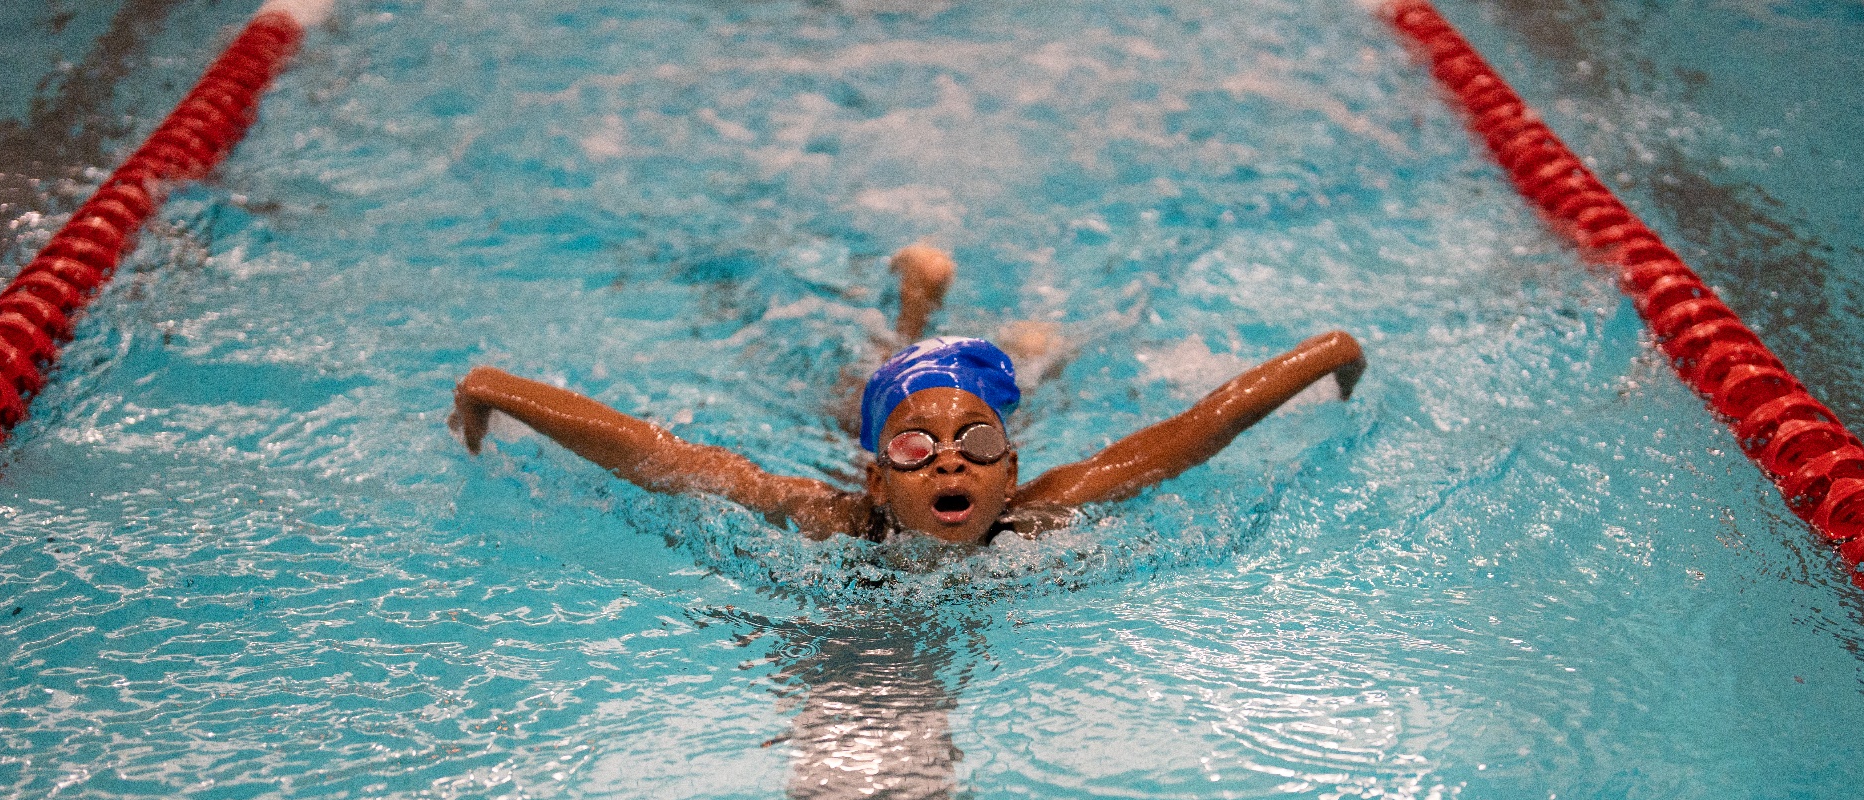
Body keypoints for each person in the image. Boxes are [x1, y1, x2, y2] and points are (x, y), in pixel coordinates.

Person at [449, 244, 1365, 545]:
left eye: (978, 444)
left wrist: (1326, 351)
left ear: (1012, 472)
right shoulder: (829, 516)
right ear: (879, 481)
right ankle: (914, 301)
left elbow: (1191, 433)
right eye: (920, 452)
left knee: (943, 373)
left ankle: (920, 300)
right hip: (855, 418)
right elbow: (658, 458)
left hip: (925, 413)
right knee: (872, 378)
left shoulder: (1044, 511)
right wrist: (499, 388)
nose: (953, 458)